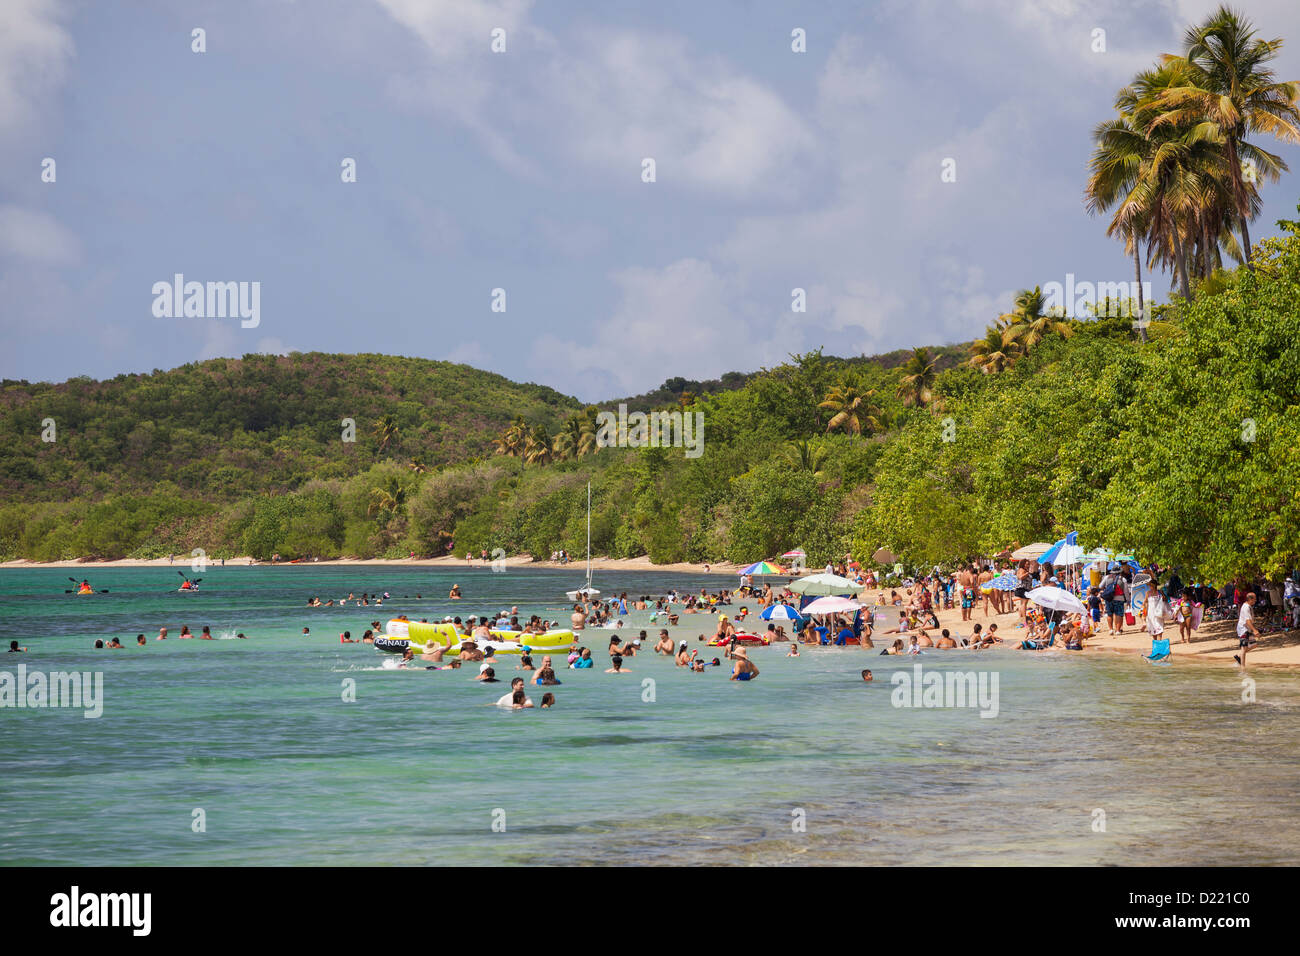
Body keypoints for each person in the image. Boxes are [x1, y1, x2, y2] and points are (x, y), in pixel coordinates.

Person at [1235, 592, 1259, 667]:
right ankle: (1243, 667)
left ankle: (1239, 656)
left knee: (1254, 645)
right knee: (1244, 647)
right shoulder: (1246, 607)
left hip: (1247, 628)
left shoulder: (1248, 606)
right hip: (1243, 629)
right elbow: (1247, 620)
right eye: (1254, 599)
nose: (1255, 600)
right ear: (1250, 599)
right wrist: (1254, 630)